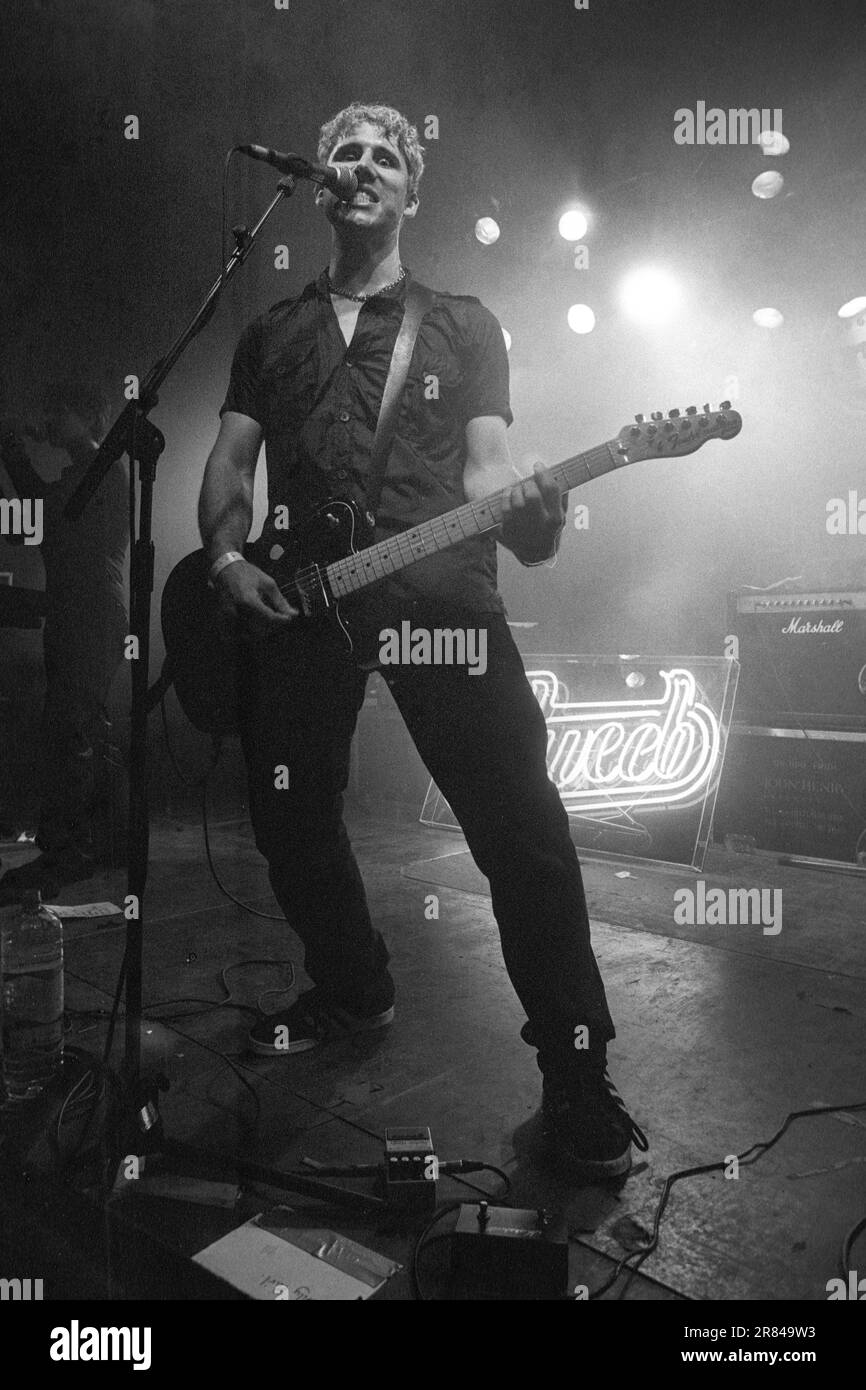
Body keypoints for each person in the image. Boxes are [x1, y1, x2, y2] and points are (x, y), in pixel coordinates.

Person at [197, 102, 647, 1178]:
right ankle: (352, 987)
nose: (358, 167)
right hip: (306, 601)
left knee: (519, 832)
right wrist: (224, 563)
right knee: (288, 811)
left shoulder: (460, 324)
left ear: (410, 192)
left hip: (439, 598)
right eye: (343, 152)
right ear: (318, 182)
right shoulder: (272, 331)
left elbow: (490, 468)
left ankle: (577, 1080)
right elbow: (227, 464)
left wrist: (535, 513)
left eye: (383, 157)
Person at [0, 376, 128, 904]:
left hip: (91, 616)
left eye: (60, 412)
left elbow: (40, 511)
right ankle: (95, 840)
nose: (50, 421)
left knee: (69, 729)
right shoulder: (83, 473)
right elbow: (25, 526)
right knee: (77, 728)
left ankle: (68, 852)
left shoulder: (101, 470)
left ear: (87, 417)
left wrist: (11, 446)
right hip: (80, 614)